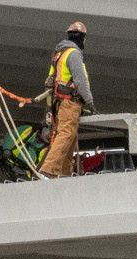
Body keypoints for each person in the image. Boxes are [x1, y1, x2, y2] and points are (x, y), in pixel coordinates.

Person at [38, 20, 95, 177]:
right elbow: (81, 81)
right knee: (66, 134)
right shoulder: (74, 54)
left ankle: (64, 172)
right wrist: (89, 102)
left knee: (70, 137)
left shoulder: (58, 55)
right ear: (82, 38)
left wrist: (50, 107)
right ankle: (49, 168)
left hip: (59, 102)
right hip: (70, 102)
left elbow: (50, 82)